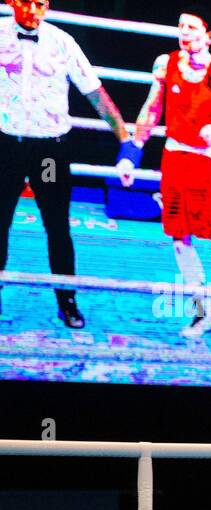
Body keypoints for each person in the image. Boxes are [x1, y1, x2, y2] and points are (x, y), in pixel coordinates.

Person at [116, 9, 211, 338]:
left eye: (193, 27)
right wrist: (132, 152)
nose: (185, 32)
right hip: (175, 160)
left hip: (210, 165)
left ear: (209, 36)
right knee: (180, 240)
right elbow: (152, 108)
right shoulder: (165, 64)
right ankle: (201, 313)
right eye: (181, 26)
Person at [0, 0, 132, 327]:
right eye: (26, 2)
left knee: (57, 225)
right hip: (6, 147)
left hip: (49, 151)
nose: (33, 11)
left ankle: (67, 300)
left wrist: (126, 142)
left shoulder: (62, 41)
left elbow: (95, 94)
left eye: (40, 4)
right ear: (11, 2)